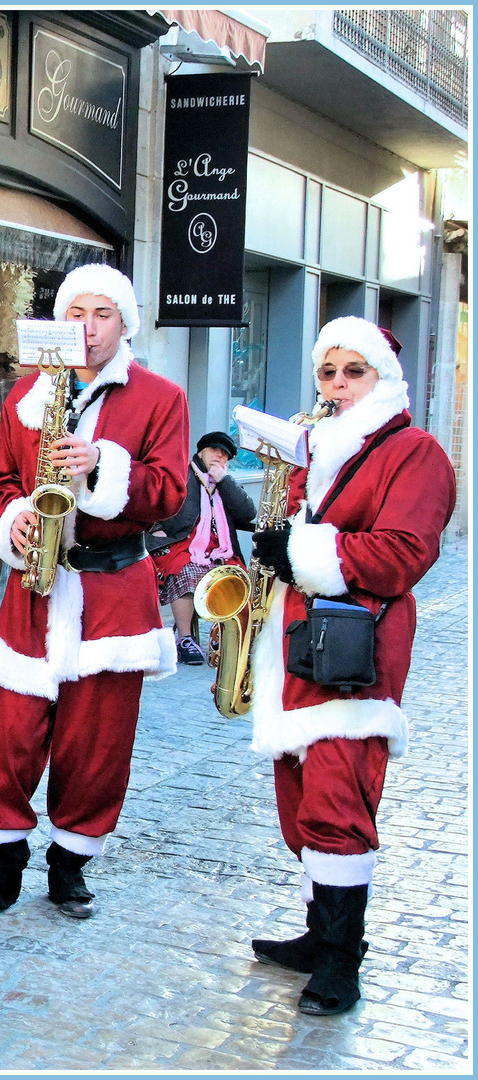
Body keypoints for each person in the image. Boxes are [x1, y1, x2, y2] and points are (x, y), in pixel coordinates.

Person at [0, 263, 189, 920]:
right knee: (10, 732)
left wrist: (104, 466)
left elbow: (170, 491)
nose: (86, 329)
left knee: (96, 739)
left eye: (102, 315)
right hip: (37, 584)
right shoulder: (28, 392)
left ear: (125, 322)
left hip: (112, 587)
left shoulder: (159, 396)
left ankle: (69, 866)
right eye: (76, 314)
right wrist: (12, 517)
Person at [246, 317, 455, 1015]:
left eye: (351, 372)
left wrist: (301, 552)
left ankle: (341, 960)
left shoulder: (415, 451)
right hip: (298, 639)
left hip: (354, 648)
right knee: (298, 798)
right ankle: (315, 933)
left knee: (338, 798)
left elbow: (401, 553)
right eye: (327, 372)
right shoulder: (321, 451)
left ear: (382, 380)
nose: (335, 385)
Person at [147, 431, 257, 664]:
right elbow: (159, 501)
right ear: (201, 452)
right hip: (182, 544)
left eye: (225, 454)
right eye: (215, 450)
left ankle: (223, 635)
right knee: (186, 571)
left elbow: (248, 513)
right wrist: (157, 527)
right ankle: (185, 638)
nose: (219, 456)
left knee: (238, 579)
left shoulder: (226, 481)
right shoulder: (183, 473)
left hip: (221, 550)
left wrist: (224, 482)